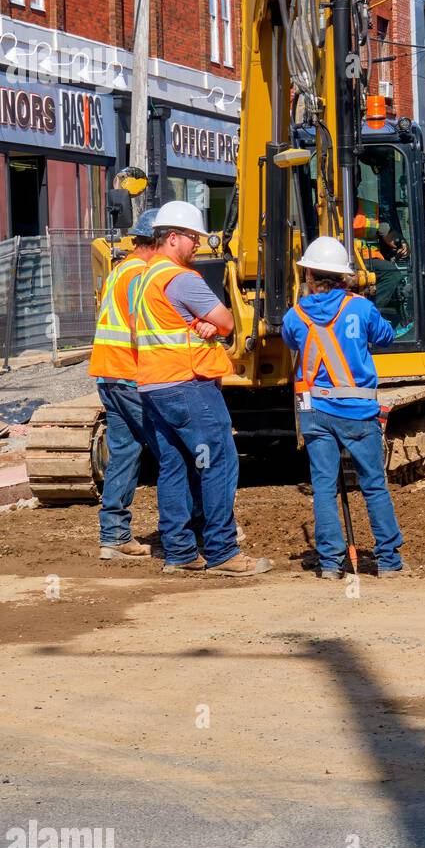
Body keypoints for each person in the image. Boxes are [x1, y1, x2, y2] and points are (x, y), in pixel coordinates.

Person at [135, 200, 270, 576]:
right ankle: (223, 551)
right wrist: (208, 323)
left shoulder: (145, 277)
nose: (197, 245)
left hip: (154, 386)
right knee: (219, 461)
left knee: (175, 466)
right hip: (188, 384)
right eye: (192, 238)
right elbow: (226, 321)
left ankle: (179, 553)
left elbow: (170, 324)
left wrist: (196, 324)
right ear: (173, 238)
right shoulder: (182, 279)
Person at [281, 236, 405, 579]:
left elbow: (292, 340)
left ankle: (330, 564)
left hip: (315, 413)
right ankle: (389, 561)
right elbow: (386, 337)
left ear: (309, 276)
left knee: (323, 487)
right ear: (343, 277)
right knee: (373, 485)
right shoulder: (361, 308)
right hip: (357, 412)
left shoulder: (295, 315)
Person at [88, 208, 160, 560]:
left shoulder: (121, 270)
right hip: (131, 375)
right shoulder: (142, 275)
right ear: (159, 241)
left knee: (125, 452)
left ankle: (114, 536)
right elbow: (139, 327)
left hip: (109, 374)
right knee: (173, 448)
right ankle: (199, 527)